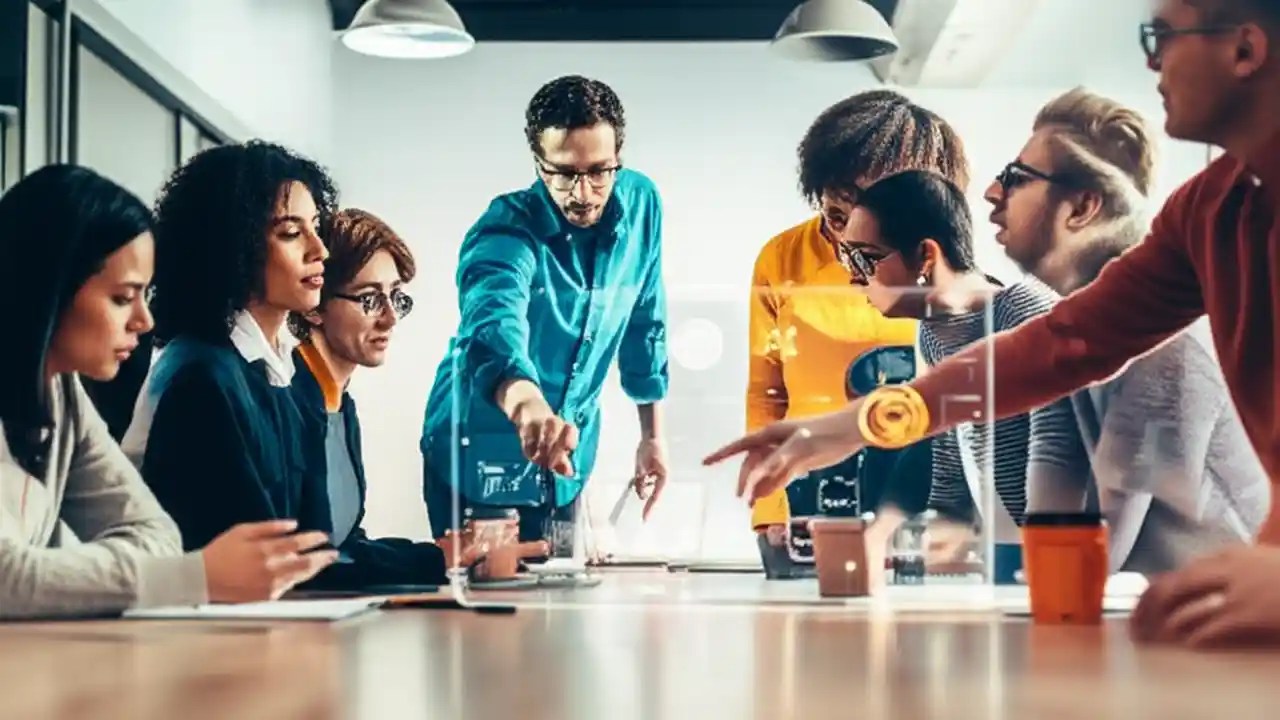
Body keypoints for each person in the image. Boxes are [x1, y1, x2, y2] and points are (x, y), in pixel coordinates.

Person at [705, 0, 1280, 648]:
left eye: (1165, 35)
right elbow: (1059, 347)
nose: (1151, 57)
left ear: (1245, 50)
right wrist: (852, 425)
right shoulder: (1209, 211)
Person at [0, 165, 335, 619]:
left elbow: (156, 534)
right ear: (49, 288)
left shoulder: (63, 395)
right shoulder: (200, 373)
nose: (144, 321)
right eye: (122, 297)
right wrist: (190, 577)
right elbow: (7, 577)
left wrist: (58, 576)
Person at [987, 87, 1267, 573]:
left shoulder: (1165, 339)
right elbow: (1059, 459)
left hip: (1235, 627)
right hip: (1164, 611)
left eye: (1016, 178)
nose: (993, 193)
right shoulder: (1078, 320)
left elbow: (1112, 519)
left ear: (1082, 209)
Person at [420, 75, 669, 545]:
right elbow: (492, 321)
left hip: (568, 460)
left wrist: (651, 435)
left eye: (600, 171)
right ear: (538, 163)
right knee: (486, 606)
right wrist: (527, 403)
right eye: (562, 173)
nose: (582, 193)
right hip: (481, 449)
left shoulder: (642, 204)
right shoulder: (505, 228)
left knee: (558, 602)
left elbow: (646, 321)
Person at [746, 90, 965, 575]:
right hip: (805, 501)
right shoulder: (782, 258)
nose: (849, 242)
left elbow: (962, 411)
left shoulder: (942, 274)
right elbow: (767, 390)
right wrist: (769, 507)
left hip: (915, 504)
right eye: (838, 215)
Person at [838, 169, 1091, 582]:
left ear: (925, 256)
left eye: (866, 258)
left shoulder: (1029, 317)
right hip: (1004, 544)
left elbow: (1073, 456)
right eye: (848, 258)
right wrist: (940, 526)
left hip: (1067, 550)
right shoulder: (933, 333)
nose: (853, 277)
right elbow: (948, 448)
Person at [122, 141, 336, 552]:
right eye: (291, 233)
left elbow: (316, 547)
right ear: (233, 247)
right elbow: (272, 556)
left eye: (316, 226)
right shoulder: (201, 376)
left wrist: (439, 557)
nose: (320, 250)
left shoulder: (297, 373)